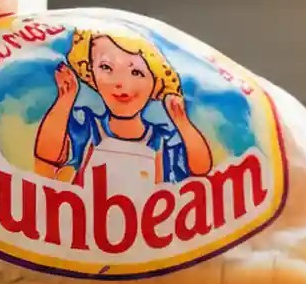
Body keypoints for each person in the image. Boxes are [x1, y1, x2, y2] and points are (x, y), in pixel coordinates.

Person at [34, 29, 214, 190]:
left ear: (156, 84)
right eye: (106, 67)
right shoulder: (88, 126)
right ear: (92, 73)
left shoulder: (162, 140)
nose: (120, 83)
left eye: (136, 72)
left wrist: (183, 124)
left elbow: (200, 169)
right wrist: (64, 100)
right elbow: (47, 156)